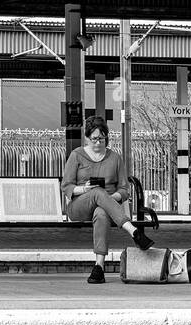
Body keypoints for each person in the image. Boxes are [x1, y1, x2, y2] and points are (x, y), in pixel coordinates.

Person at [61, 115, 153, 283]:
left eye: (102, 139)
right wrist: (84, 189)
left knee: (101, 212)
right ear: (87, 138)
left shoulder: (115, 158)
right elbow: (66, 186)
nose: (98, 143)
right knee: (97, 192)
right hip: (79, 205)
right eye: (94, 139)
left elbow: (124, 190)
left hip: (108, 207)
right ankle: (133, 231)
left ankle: (99, 267)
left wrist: (110, 198)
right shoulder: (76, 155)